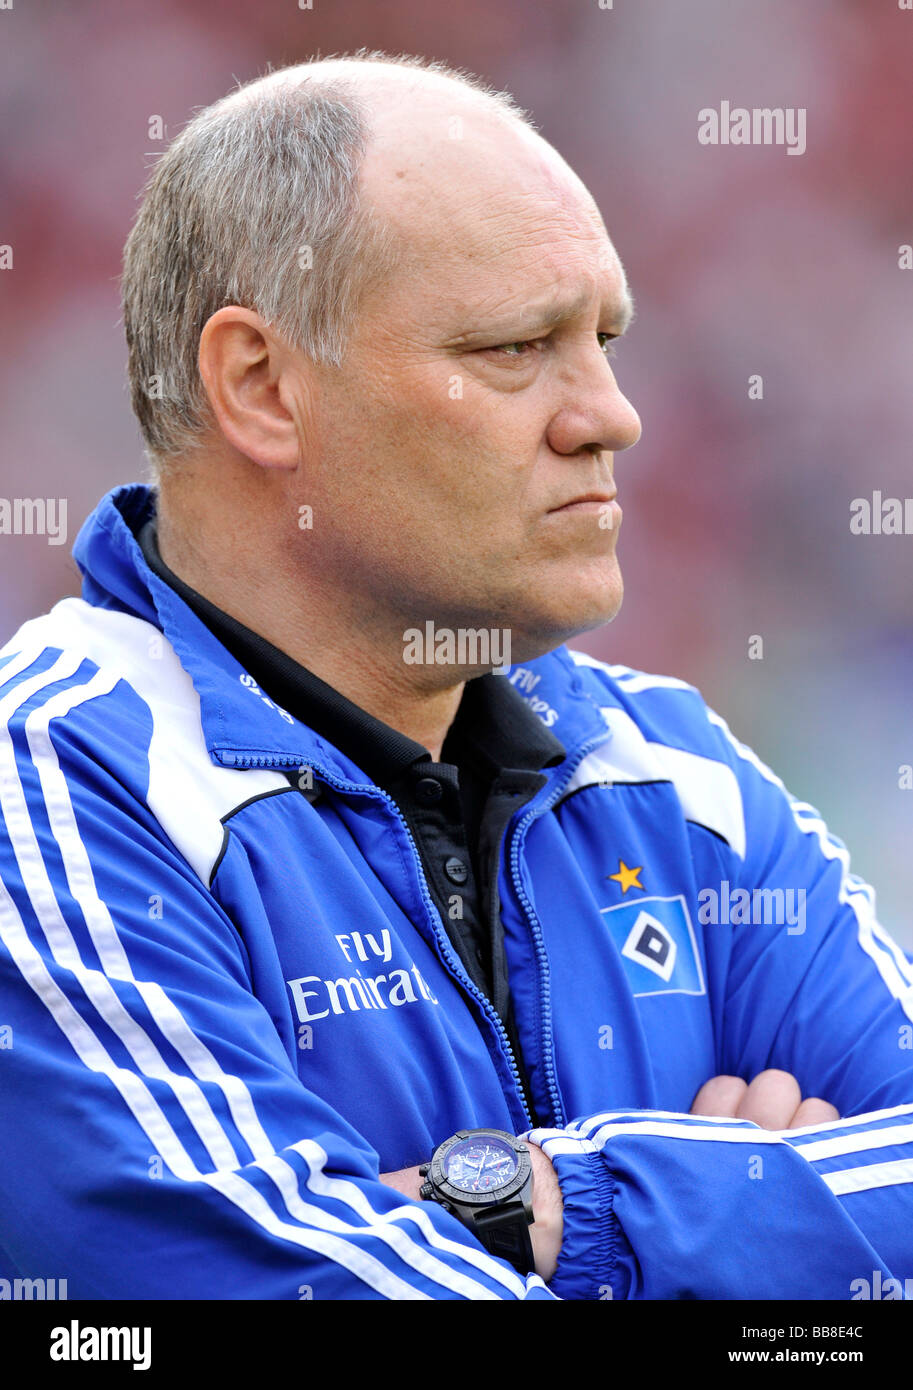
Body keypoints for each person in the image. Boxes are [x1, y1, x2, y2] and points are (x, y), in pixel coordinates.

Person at [0, 51, 910, 1302]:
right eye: (516, 347)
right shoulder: (56, 782)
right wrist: (761, 1220)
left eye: (604, 338)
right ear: (262, 387)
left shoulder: (672, 776)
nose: (613, 415)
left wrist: (555, 1206)